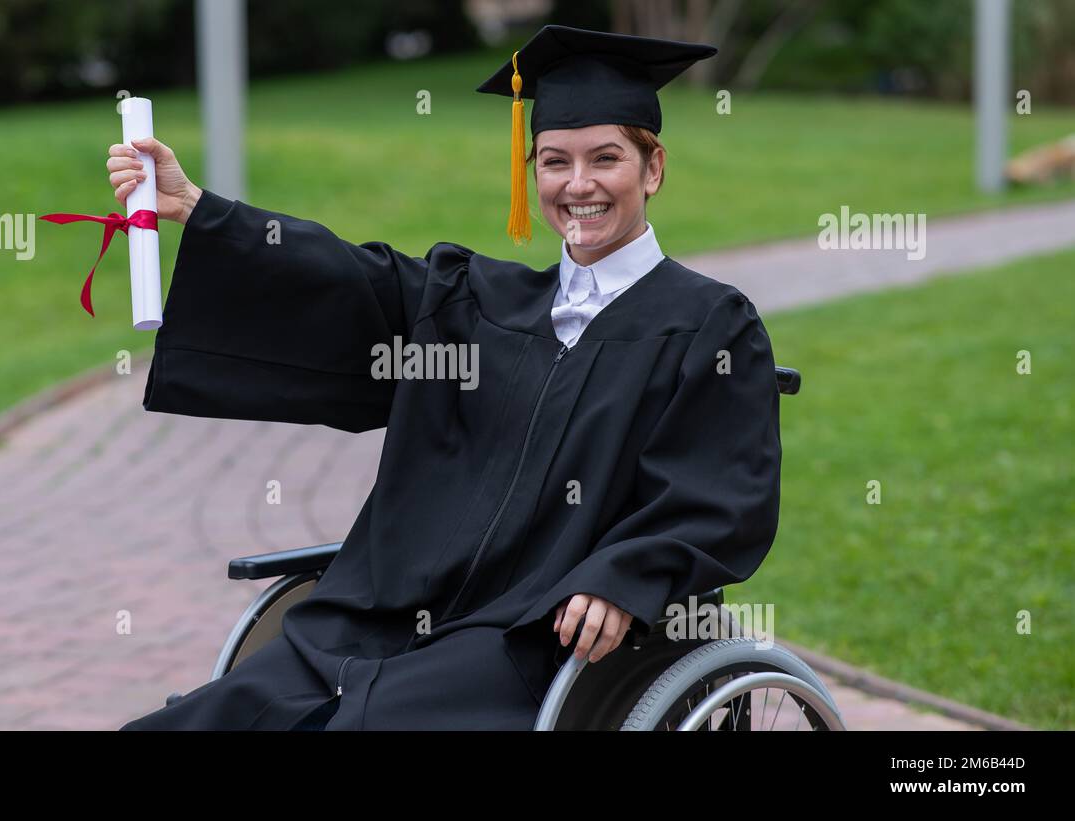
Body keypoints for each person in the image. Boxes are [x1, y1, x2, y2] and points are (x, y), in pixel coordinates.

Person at [114, 25, 781, 731]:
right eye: (555, 161)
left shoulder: (709, 324)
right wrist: (200, 208)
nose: (578, 184)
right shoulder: (479, 303)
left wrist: (623, 577)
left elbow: (716, 494)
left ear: (652, 169)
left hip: (536, 643)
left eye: (605, 159)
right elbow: (350, 279)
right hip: (384, 618)